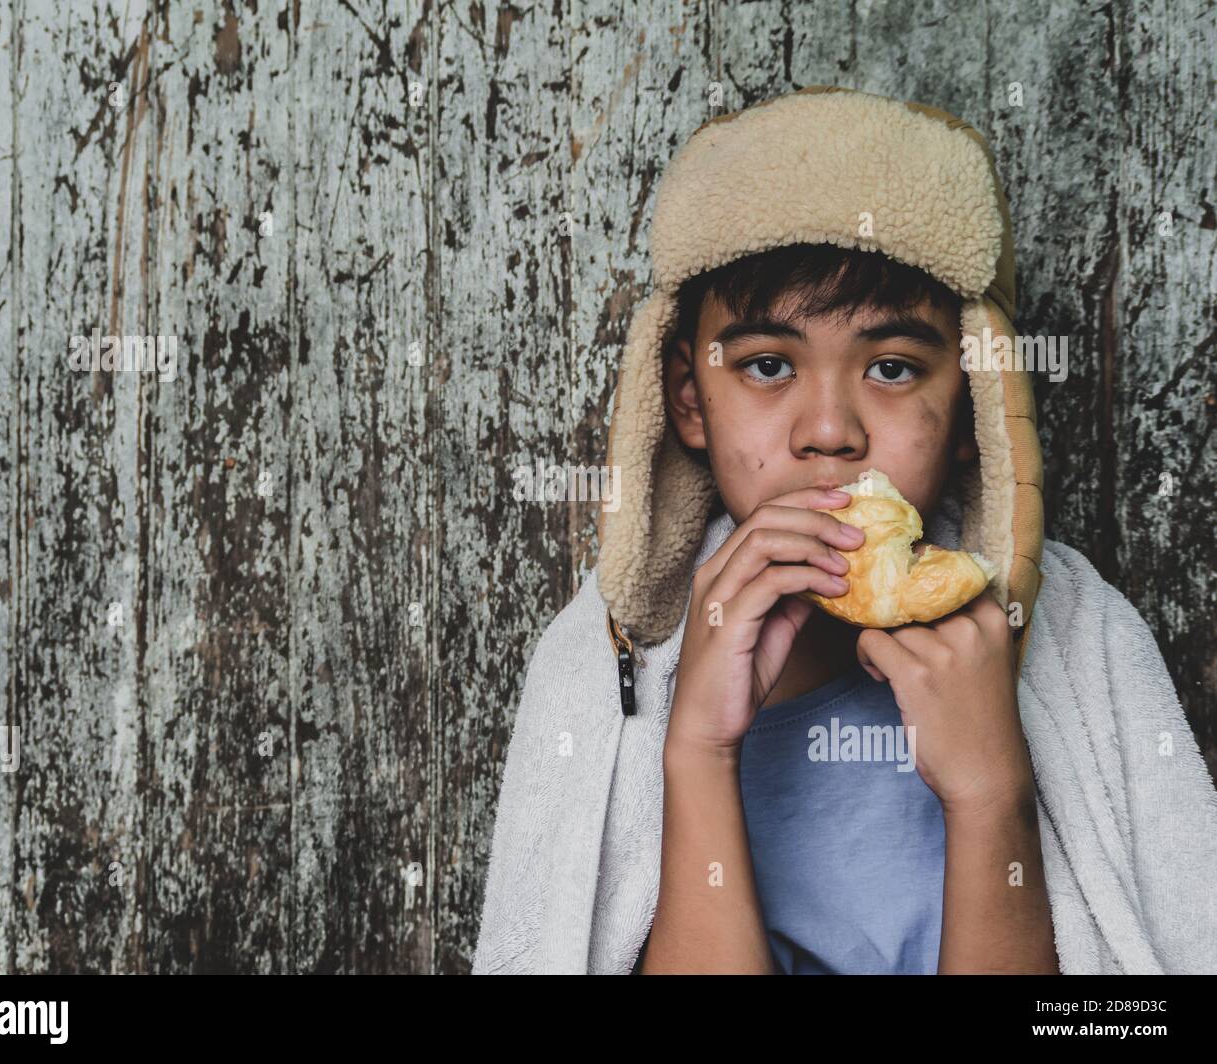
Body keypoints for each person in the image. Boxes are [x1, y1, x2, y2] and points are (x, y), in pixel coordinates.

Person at [471, 86, 1217, 975]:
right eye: (768, 365)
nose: (830, 430)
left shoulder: (1077, 640)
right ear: (686, 398)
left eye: (894, 367)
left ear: (979, 398)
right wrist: (699, 750)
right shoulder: (601, 664)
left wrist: (991, 792)